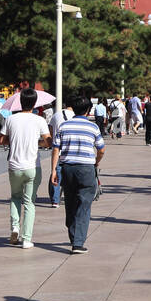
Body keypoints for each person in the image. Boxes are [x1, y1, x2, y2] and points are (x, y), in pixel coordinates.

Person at [51, 96, 106, 253]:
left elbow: (56, 149)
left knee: (70, 201)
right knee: (84, 204)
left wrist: (54, 170)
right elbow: (101, 149)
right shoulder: (93, 127)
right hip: (86, 168)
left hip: (67, 168)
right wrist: (97, 161)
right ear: (88, 111)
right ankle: (78, 243)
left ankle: (73, 233)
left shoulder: (64, 126)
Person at [0, 88, 52, 249]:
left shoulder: (11, 119)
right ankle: (27, 239)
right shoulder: (39, 120)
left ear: (20, 102)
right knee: (29, 203)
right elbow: (48, 141)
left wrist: (14, 141)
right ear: (35, 103)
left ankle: (14, 227)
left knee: (15, 197)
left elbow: (1, 140)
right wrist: (38, 143)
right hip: (32, 167)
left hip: (14, 166)